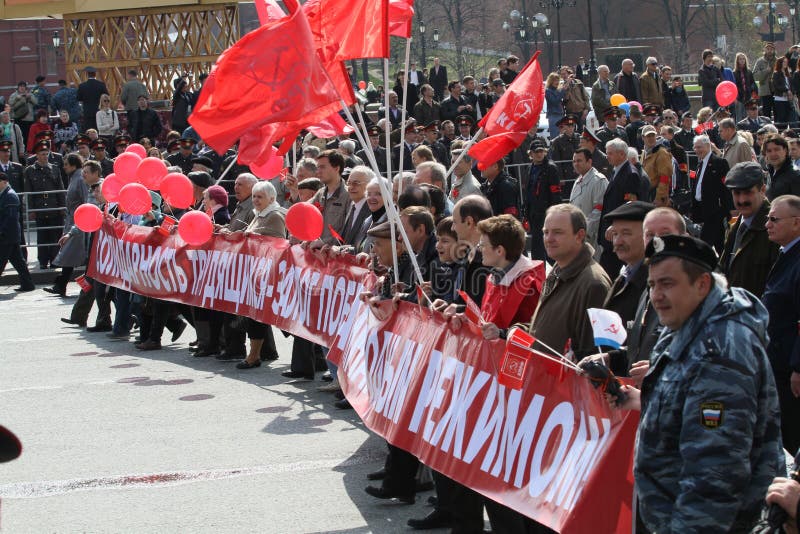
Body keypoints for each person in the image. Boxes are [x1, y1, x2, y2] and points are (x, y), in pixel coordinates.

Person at [620, 234, 784, 533]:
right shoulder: (684, 325)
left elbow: (715, 473)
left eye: (667, 284)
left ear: (702, 284)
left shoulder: (720, 351)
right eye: (652, 285)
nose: (656, 295)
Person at [517, 203, 611, 357]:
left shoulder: (594, 284)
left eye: (557, 232)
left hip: (562, 378)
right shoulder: (557, 271)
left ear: (579, 236)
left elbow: (591, 354)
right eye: (545, 232)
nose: (549, 239)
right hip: (542, 374)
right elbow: (547, 327)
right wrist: (515, 330)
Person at [233, 181, 286, 370]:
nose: (255, 200)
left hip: (268, 272)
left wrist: (251, 239)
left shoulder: (275, 216)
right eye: (254, 196)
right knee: (256, 313)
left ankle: (254, 355)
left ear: (272, 198)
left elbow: (277, 243)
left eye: (260, 197)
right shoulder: (259, 214)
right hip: (256, 270)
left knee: (261, 314)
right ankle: (261, 352)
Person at [762, 194, 800, 454]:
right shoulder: (787, 254)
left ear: (797, 223)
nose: (767, 224)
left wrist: (799, 366)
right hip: (778, 362)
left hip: (790, 371)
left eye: (774, 219)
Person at [718, 161, 780, 297]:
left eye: (748, 193)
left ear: (763, 190)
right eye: (737, 193)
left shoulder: (775, 228)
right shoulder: (735, 226)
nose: (741, 200)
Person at [601, 201, 654, 324]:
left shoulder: (655, 283)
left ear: (648, 236)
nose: (617, 241)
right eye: (615, 234)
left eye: (626, 233)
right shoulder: (625, 275)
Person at [45, 153, 88, 297]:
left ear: (74, 165)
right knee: (70, 254)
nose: (64, 168)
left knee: (72, 253)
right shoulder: (74, 178)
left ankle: (63, 284)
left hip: (79, 222)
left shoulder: (80, 179)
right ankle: (61, 284)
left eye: (66, 165)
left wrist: (81, 219)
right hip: (73, 221)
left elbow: (85, 200)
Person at [599, 138, 643, 277]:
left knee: (609, 271)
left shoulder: (630, 174)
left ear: (622, 155)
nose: (607, 156)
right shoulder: (617, 170)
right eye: (607, 153)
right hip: (611, 233)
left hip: (617, 232)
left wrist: (616, 226)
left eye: (610, 153)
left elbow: (629, 205)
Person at [23, 140, 65, 270]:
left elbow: (60, 188)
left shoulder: (55, 168)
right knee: (42, 236)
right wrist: (31, 210)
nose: (45, 156)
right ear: (36, 155)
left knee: (54, 235)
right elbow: (28, 191)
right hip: (40, 207)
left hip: (53, 206)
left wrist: (62, 206)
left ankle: (54, 259)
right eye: (42, 154)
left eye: (47, 154)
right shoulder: (30, 170)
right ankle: (42, 260)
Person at [691, 134, 732, 252]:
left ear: (708, 146)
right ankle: (725, 265)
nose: (697, 150)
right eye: (695, 147)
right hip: (703, 208)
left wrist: (728, 208)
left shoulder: (719, 163)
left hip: (715, 209)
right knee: (720, 242)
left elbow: (726, 187)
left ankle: (701, 265)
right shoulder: (699, 164)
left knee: (704, 243)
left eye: (700, 147)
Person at [526, 137, 562, 261]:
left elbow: (556, 194)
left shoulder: (551, 168)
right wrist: (526, 214)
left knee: (551, 249)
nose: (539, 154)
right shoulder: (530, 168)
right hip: (534, 214)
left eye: (541, 151)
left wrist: (555, 214)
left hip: (547, 213)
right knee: (537, 250)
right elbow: (528, 192)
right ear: (530, 154)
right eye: (536, 152)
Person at [0, 171, 34, 292]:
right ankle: (28, 284)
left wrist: (2, 232)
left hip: (7, 235)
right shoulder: (6, 194)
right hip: (10, 235)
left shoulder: (9, 195)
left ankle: (28, 284)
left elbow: (10, 218)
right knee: (18, 261)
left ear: (4, 182)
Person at [569, 147, 608, 248]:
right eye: (574, 161)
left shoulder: (599, 181)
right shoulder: (577, 181)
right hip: (578, 236)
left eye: (579, 161)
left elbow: (599, 210)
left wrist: (586, 231)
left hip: (593, 238)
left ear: (589, 161)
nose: (576, 164)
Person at [640, 124, 671, 207]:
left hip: (656, 196)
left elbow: (665, 178)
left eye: (653, 135)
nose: (651, 138)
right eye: (648, 136)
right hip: (647, 194)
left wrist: (659, 197)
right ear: (643, 137)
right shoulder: (644, 152)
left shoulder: (662, 153)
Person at [763, 133, 800, 200]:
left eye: (777, 149)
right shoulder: (771, 172)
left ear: (785, 150)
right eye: (769, 151)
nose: (773, 154)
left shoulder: (796, 175)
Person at [77, 67, 109, 131]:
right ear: (95, 75)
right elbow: (107, 96)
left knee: (89, 130)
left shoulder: (82, 86)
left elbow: (78, 98)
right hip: (99, 110)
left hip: (87, 112)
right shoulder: (101, 85)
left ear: (87, 75)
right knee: (99, 130)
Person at [754, 43, 778, 119]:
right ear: (764, 50)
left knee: (777, 112)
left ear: (774, 50)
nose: (769, 51)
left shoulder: (777, 61)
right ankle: (766, 130)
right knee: (766, 114)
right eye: (768, 49)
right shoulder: (760, 61)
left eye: (771, 49)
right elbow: (755, 76)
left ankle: (778, 130)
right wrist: (766, 71)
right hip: (765, 91)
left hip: (776, 91)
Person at [772, 56, 794, 125]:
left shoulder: (788, 74)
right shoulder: (776, 73)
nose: (785, 63)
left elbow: (791, 85)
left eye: (786, 62)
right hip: (780, 99)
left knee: (788, 118)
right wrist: (786, 90)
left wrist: (792, 92)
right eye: (784, 62)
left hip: (788, 99)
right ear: (780, 63)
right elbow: (776, 86)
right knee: (781, 119)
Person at [544, 73, 566, 139]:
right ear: (551, 81)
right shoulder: (548, 91)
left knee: (562, 135)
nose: (557, 82)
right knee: (555, 136)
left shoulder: (558, 90)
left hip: (560, 114)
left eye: (558, 80)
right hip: (553, 115)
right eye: (555, 80)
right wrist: (563, 91)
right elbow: (554, 101)